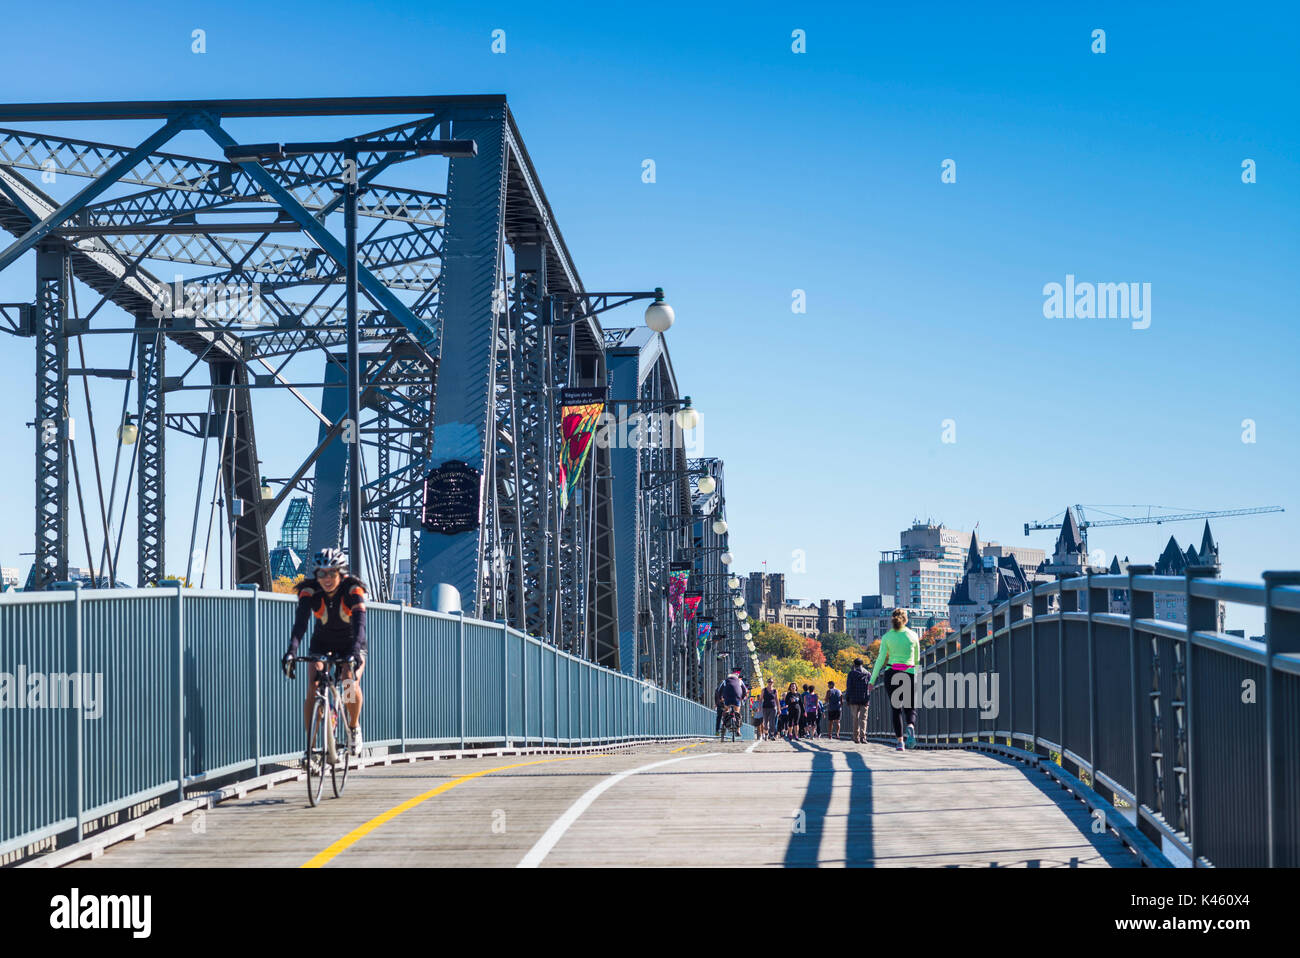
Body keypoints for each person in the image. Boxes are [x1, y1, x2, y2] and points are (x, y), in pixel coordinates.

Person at [282, 548, 368, 756]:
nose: (326, 579)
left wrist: (355, 652)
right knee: (313, 687)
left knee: (348, 682)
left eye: (332, 573)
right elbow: (300, 624)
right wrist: (292, 651)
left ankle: (354, 727)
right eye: (322, 574)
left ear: (341, 573)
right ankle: (310, 750)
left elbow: (360, 625)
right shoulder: (309, 591)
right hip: (322, 642)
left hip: (351, 643)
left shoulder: (353, 590)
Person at [870, 608, 922, 751]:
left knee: (896, 708)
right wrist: (916, 674)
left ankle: (900, 742)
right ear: (906, 620)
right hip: (909, 672)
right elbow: (917, 659)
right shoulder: (913, 635)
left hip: (892, 672)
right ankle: (910, 726)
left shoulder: (887, 637)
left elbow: (880, 659)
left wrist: (872, 680)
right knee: (910, 706)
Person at [715, 667, 749, 737]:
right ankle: (738, 730)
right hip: (737, 698)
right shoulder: (739, 681)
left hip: (727, 698)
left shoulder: (725, 681)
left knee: (726, 710)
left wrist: (720, 699)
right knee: (737, 713)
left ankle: (724, 723)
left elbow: (719, 690)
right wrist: (742, 698)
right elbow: (745, 691)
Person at [845, 657, 871, 744]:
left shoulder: (851, 674)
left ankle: (856, 737)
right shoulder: (868, 674)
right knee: (863, 719)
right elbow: (870, 687)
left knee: (855, 718)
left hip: (853, 699)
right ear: (862, 664)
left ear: (854, 665)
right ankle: (863, 737)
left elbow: (848, 687)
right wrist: (868, 698)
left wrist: (847, 698)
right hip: (864, 699)